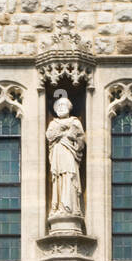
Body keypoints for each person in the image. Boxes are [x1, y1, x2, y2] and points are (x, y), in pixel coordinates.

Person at [47, 89, 86, 219]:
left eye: (63, 105)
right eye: (58, 106)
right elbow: (49, 136)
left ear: (69, 108)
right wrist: (63, 132)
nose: (61, 108)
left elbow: (81, 140)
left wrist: (73, 140)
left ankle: (71, 207)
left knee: (70, 177)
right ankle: (58, 207)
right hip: (58, 153)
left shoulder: (75, 122)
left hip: (70, 154)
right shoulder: (53, 123)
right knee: (58, 179)